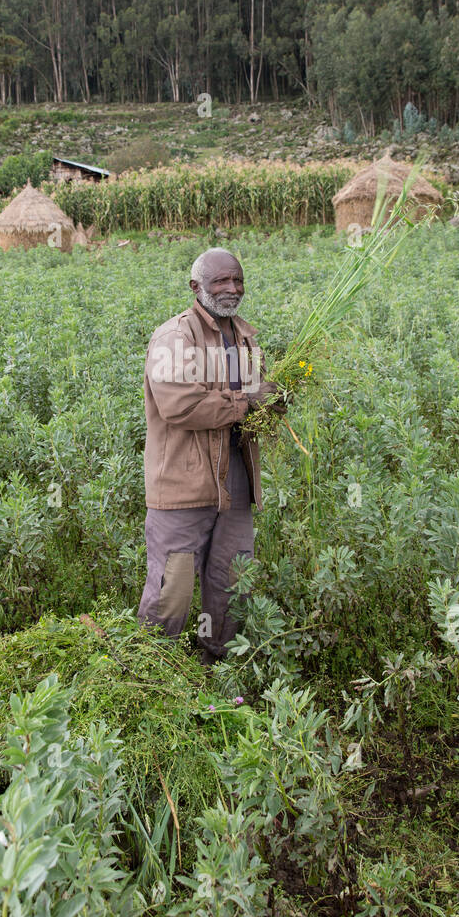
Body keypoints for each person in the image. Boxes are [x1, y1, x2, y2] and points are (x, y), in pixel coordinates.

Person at [137, 247, 281, 667]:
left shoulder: (245, 337)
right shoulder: (175, 337)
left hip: (235, 482)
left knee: (230, 579)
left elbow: (256, 402)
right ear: (196, 287)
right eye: (221, 281)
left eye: (237, 280)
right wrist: (247, 402)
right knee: (173, 587)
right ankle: (151, 672)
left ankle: (214, 666)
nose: (232, 288)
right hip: (185, 484)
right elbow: (178, 405)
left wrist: (275, 400)